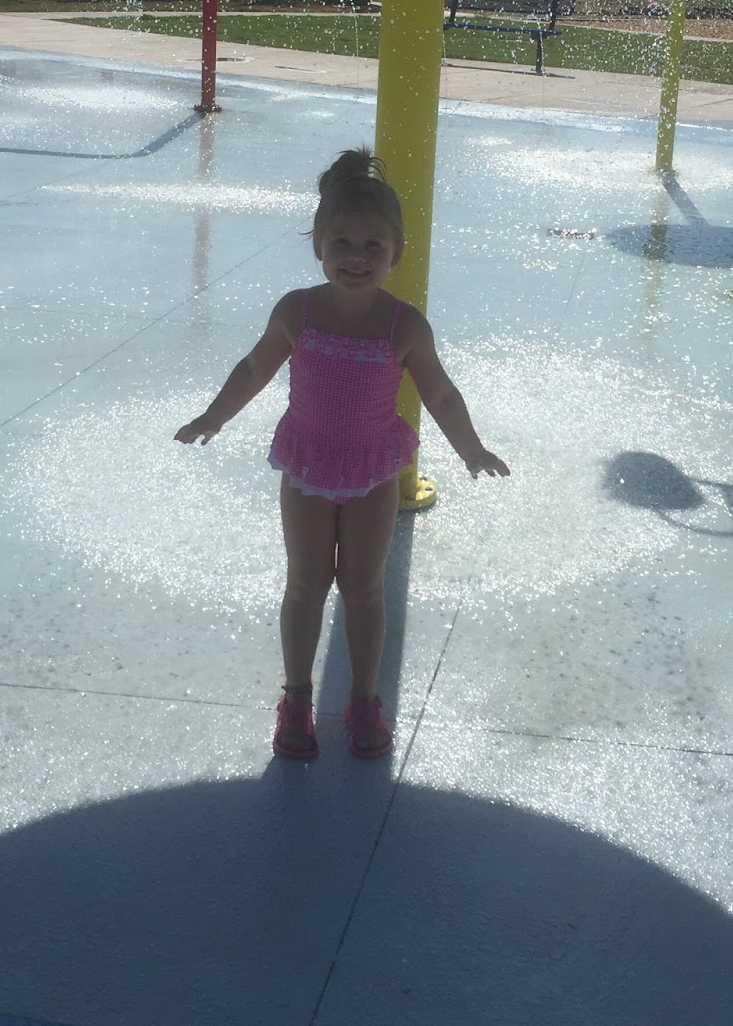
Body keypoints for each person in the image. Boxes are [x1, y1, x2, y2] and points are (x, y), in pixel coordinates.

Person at [175, 147, 509, 761]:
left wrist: (471, 449)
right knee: (305, 583)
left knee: (363, 587)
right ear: (318, 246)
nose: (357, 257)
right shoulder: (297, 312)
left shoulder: (403, 325)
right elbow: (252, 369)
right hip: (307, 466)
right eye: (342, 243)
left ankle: (363, 698)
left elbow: (439, 391)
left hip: (373, 472)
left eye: (373, 245)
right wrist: (213, 417)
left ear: (396, 253)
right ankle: (297, 697)